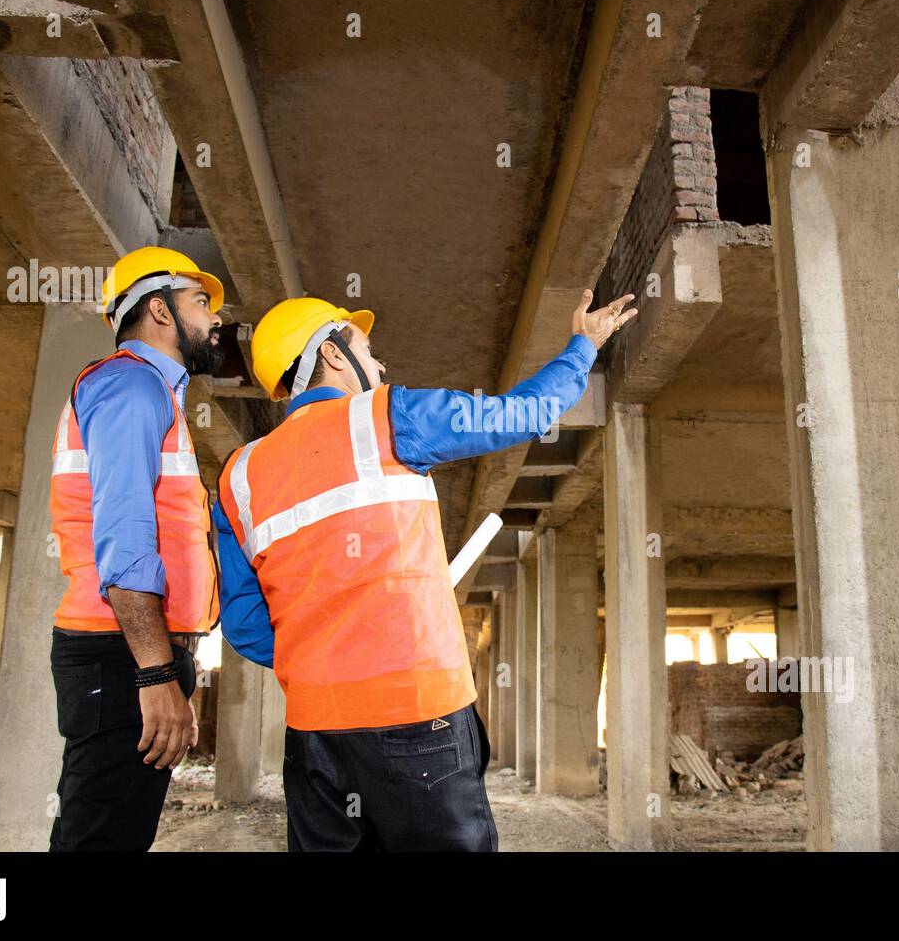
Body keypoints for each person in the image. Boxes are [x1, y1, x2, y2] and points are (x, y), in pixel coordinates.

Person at [214, 288, 636, 851]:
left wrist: (321, 657)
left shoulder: (239, 476)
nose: (379, 363)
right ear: (333, 355)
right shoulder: (387, 415)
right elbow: (523, 414)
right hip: (419, 720)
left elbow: (242, 624)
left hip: (315, 732)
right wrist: (583, 347)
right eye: (366, 347)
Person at [47, 246, 225, 851]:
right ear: (159, 309)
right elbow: (125, 536)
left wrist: (170, 668)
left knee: (97, 835)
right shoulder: (129, 385)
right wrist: (153, 673)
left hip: (129, 651)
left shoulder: (152, 392)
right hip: (118, 654)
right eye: (201, 302)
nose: (216, 320)